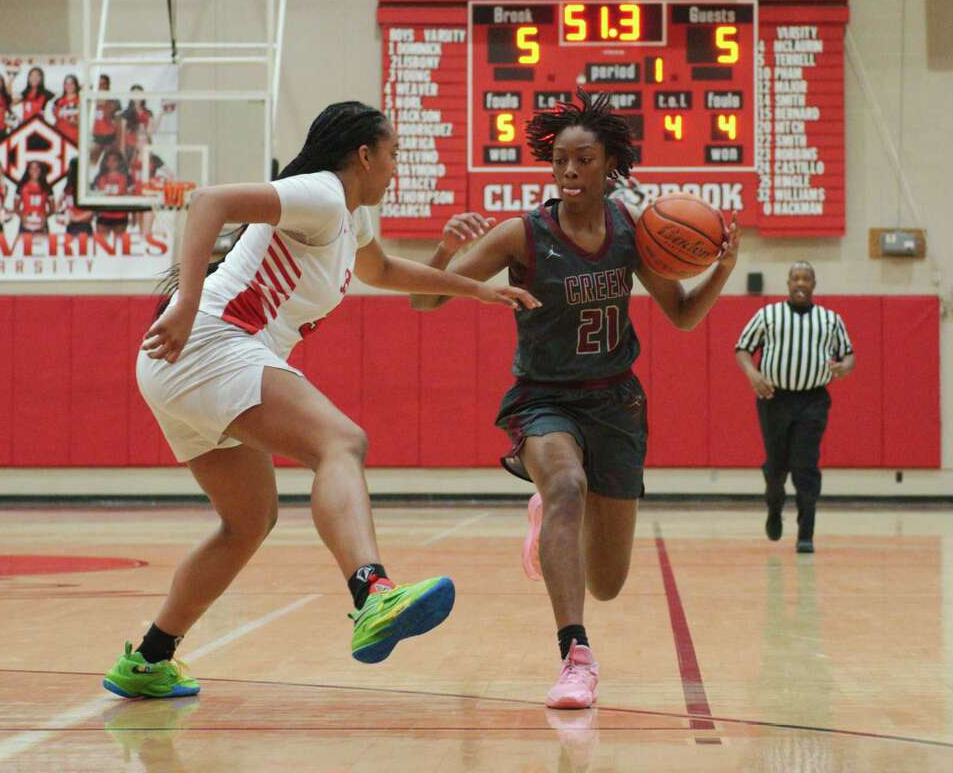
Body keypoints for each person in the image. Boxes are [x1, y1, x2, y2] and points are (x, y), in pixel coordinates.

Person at [102, 100, 540, 700]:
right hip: (207, 341)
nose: (395, 169)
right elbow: (208, 201)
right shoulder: (323, 194)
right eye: (391, 156)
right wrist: (183, 304)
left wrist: (474, 290)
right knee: (342, 442)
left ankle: (150, 659)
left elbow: (383, 270)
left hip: (181, 365)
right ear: (363, 155)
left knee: (249, 521)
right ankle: (372, 594)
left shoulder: (349, 219)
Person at [410, 88, 739, 710]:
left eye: (583, 160)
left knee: (609, 582)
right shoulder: (521, 235)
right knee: (566, 485)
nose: (569, 171)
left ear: (609, 164)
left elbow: (686, 316)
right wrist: (446, 249)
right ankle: (575, 656)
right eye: (560, 159)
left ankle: (550, 521)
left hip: (616, 403)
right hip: (544, 399)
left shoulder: (635, 233)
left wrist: (720, 268)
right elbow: (425, 299)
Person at [734, 262, 855, 554]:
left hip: (813, 401)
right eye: (796, 278)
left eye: (806, 278)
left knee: (806, 467)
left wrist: (843, 369)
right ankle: (774, 508)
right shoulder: (768, 315)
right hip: (774, 399)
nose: (801, 283)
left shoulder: (830, 320)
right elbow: (742, 349)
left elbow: (849, 355)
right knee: (776, 468)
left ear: (814, 284)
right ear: (788, 283)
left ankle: (806, 533)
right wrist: (753, 374)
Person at [15, 161, 53, 237]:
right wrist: (22, 216)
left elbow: (52, 208)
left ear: (40, 170)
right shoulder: (21, 186)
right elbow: (16, 208)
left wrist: (45, 216)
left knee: (43, 248)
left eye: (37, 168)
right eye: (32, 168)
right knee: (24, 248)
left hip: (41, 224)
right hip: (26, 224)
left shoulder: (47, 187)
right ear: (28, 170)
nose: (34, 170)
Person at [52, 74, 81, 143]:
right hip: (61, 138)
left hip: (76, 138)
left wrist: (77, 122)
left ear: (76, 85)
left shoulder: (81, 100)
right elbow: (56, 119)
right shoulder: (58, 101)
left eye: (71, 84)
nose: (69, 86)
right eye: (66, 84)